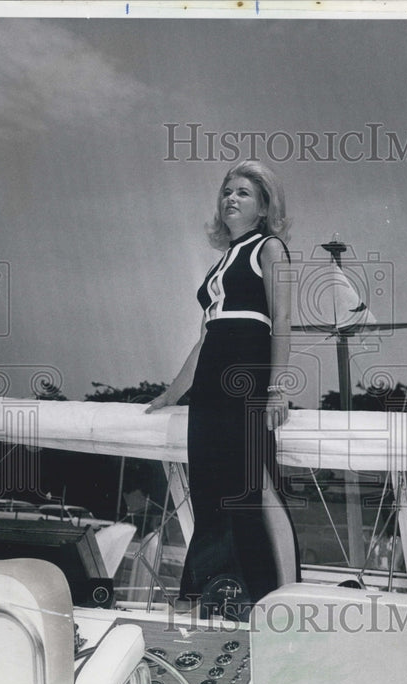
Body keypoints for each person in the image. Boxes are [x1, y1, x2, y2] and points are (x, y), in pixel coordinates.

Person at [145, 161, 300, 613]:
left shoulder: (269, 248)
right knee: (211, 487)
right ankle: (211, 593)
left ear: (264, 205)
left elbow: (284, 322)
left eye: (244, 193)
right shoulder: (221, 262)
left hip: (246, 372)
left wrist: (276, 389)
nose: (231, 198)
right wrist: (172, 394)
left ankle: (282, 595)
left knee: (256, 484)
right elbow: (204, 338)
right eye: (227, 191)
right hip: (211, 378)